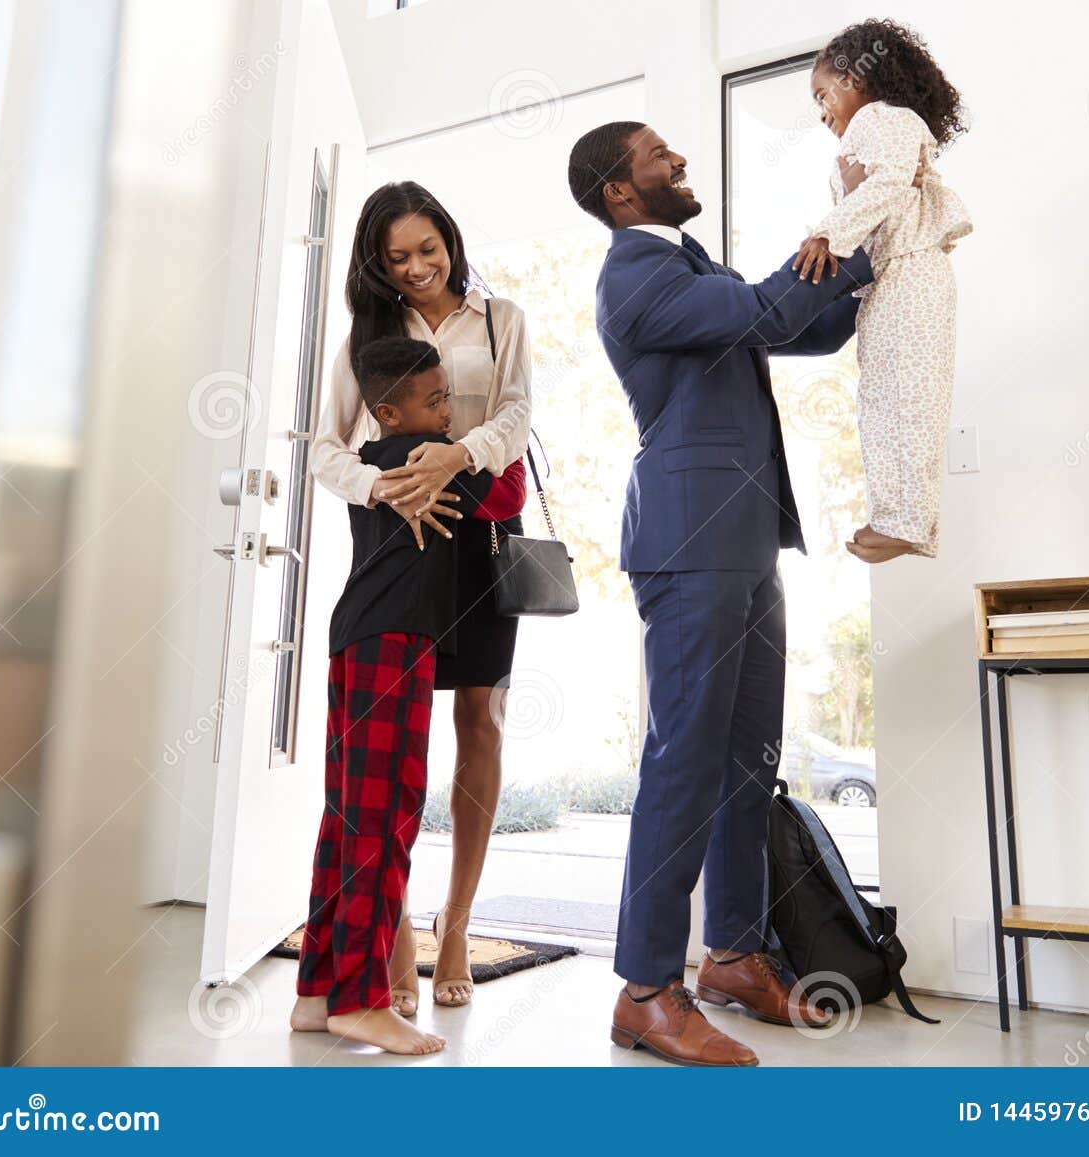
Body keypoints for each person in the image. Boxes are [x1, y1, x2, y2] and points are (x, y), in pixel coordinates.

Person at [567, 120, 870, 1066]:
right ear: (621, 191)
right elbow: (770, 311)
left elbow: (803, 322)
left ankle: (734, 954)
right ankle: (645, 989)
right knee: (685, 762)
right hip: (690, 543)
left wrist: (874, 253)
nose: (679, 160)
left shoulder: (694, 271)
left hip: (743, 541)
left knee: (748, 759)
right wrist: (848, 223)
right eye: (659, 154)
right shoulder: (637, 276)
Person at [311, 182, 533, 1010]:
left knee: (482, 719)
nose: (415, 269)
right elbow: (324, 449)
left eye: (426, 250)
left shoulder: (500, 318)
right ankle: (395, 935)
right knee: (391, 747)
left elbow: (517, 413)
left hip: (480, 543)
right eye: (396, 258)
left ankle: (460, 925)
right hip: (400, 548)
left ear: (450, 237)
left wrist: (459, 453)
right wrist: (383, 489)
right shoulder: (366, 337)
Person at [292, 338, 526, 1055]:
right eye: (435, 402)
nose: (448, 414)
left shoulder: (371, 461)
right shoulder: (426, 458)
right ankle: (361, 999)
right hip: (393, 641)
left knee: (347, 818)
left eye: (448, 399)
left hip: (358, 637)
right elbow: (510, 489)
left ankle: (317, 991)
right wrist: (465, 446)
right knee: (385, 817)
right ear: (388, 412)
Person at [795, 18, 972, 564]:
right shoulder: (873, 127)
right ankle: (898, 516)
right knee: (884, 401)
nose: (822, 110)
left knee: (909, 400)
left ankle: (909, 521)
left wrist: (829, 230)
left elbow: (892, 182)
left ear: (858, 79)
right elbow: (885, 191)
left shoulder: (882, 117)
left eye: (824, 94)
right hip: (892, 277)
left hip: (912, 272)